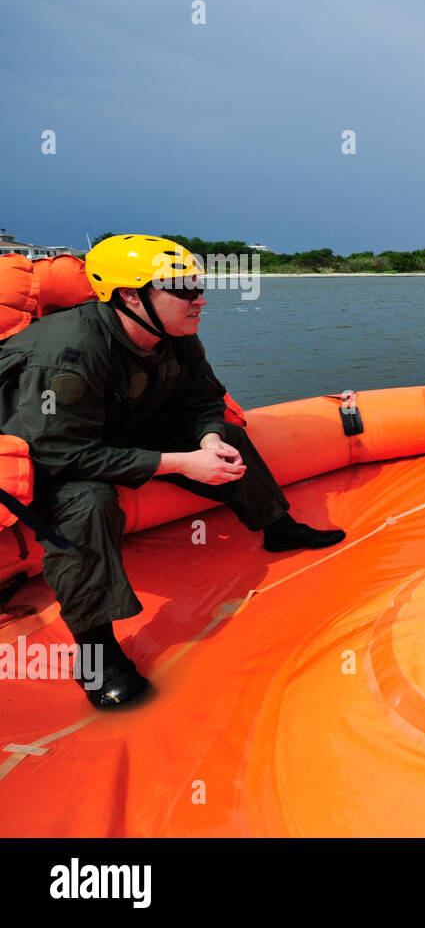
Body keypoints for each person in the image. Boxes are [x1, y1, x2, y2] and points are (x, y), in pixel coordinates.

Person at [0, 235, 346, 709]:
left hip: (113, 427)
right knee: (85, 505)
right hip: (52, 451)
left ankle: (278, 527)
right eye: (183, 288)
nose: (199, 299)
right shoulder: (69, 352)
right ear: (129, 295)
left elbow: (203, 399)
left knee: (229, 438)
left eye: (198, 285)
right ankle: (97, 652)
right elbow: (58, 454)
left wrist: (206, 440)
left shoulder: (174, 336)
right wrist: (181, 463)